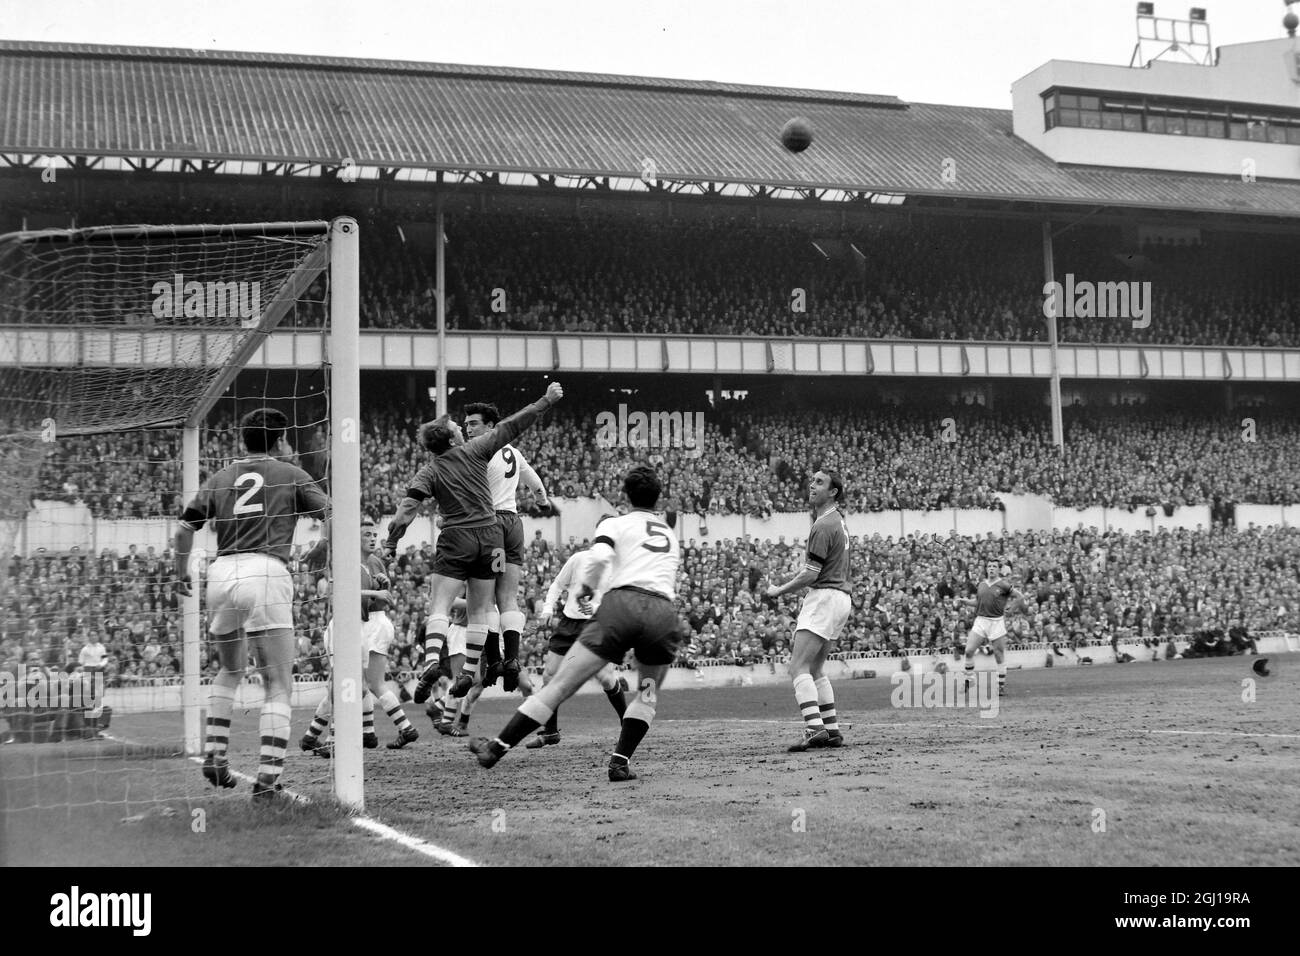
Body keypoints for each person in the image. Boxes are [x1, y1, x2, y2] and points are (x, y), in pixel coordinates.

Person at [469, 464, 679, 782]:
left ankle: (497, 748)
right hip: (662, 616)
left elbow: (598, 559)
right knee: (647, 693)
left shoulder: (616, 525)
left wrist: (586, 589)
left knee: (561, 685)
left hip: (621, 609)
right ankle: (619, 763)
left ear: (625, 494)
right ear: (658, 497)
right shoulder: (668, 534)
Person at [174, 407, 330, 801]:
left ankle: (214, 753)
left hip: (221, 573)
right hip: (266, 570)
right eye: (287, 439)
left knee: (230, 670)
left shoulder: (221, 476)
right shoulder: (292, 474)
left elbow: (183, 529)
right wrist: (323, 545)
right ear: (279, 440)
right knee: (278, 683)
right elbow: (331, 511)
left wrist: (180, 572)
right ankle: (267, 781)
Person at [386, 383, 563, 705]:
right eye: (459, 427)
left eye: (468, 424)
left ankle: (432, 663)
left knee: (440, 605)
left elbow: (406, 510)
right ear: (454, 438)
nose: (464, 428)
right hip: (496, 533)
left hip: (460, 536)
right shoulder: (482, 449)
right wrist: (545, 402)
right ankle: (482, 666)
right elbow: (516, 426)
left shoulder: (431, 469)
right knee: (490, 605)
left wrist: (391, 541)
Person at [299, 516, 418, 756]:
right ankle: (332, 738)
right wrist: (376, 591)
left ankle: (322, 736)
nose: (373, 538)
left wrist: (384, 584)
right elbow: (339, 591)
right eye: (367, 535)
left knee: (360, 685)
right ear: (355, 538)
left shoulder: (374, 562)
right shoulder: (345, 558)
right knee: (347, 685)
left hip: (360, 626)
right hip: (342, 627)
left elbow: (379, 594)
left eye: (375, 535)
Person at [463, 401, 551, 693]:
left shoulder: (478, 453)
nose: (468, 428)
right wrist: (542, 500)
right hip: (513, 524)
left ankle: (495, 660)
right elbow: (535, 483)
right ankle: (513, 659)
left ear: (491, 427)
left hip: (490, 526)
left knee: (486, 600)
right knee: (509, 598)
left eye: (473, 423)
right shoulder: (513, 452)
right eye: (466, 424)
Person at [765, 470, 852, 752]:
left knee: (797, 667)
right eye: (812, 481)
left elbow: (811, 574)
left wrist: (779, 590)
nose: (812, 486)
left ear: (833, 491)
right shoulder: (838, 520)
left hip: (825, 596)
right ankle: (832, 729)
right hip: (841, 598)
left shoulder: (823, 524)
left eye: (819, 483)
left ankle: (815, 729)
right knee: (815, 667)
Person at [524, 537, 629, 749]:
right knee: (549, 675)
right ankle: (551, 732)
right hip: (569, 623)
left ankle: (628, 725)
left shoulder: (619, 569)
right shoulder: (578, 559)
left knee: (605, 678)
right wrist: (546, 609)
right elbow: (557, 585)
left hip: (597, 624)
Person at [959, 559, 1024, 696]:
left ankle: (1000, 686)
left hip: (996, 622)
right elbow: (978, 602)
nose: (991, 568)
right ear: (986, 569)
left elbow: (1019, 597)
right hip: (981, 620)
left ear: (999, 569)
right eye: (989, 566)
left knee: (999, 655)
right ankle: (969, 679)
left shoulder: (1004, 585)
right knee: (969, 650)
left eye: (994, 566)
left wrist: (1011, 609)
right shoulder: (981, 584)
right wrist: (967, 602)